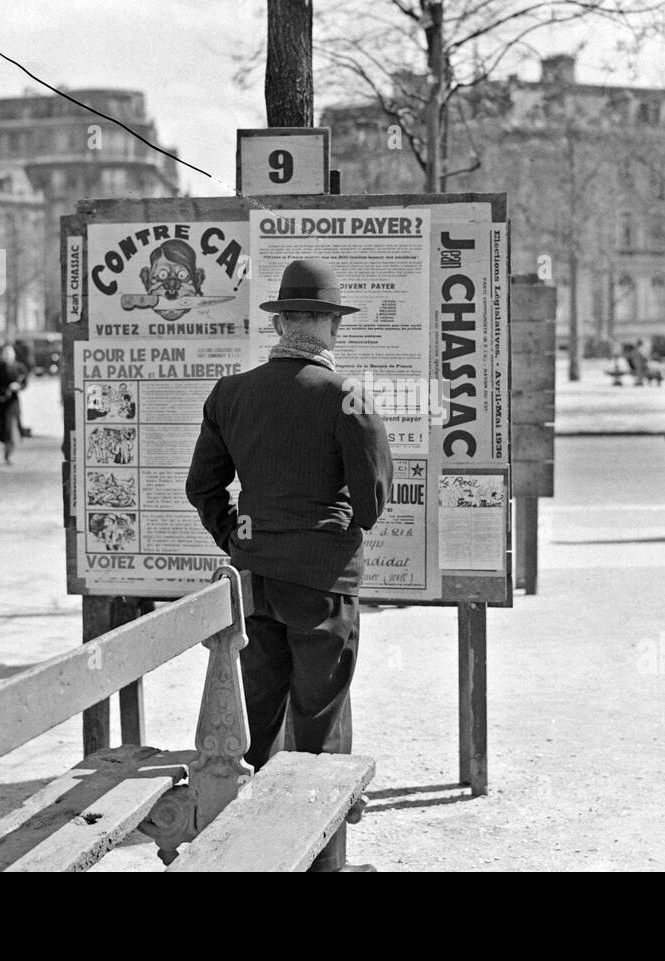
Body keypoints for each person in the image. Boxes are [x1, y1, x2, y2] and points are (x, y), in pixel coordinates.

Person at [186, 259, 393, 873]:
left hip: (254, 577)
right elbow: (373, 494)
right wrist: (335, 531)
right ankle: (323, 860)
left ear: (282, 323)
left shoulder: (232, 392)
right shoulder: (344, 396)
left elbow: (203, 486)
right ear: (329, 324)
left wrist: (237, 536)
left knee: (260, 710)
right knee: (321, 717)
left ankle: (253, 850)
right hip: (322, 580)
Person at [0, 344, 30, 463]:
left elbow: (25, 383)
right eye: (5, 353)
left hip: (13, 400)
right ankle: (7, 448)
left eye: (10, 353)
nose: (7, 356)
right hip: (1, 399)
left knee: (11, 425)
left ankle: (9, 451)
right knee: (2, 427)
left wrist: (18, 386)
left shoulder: (19, 367)